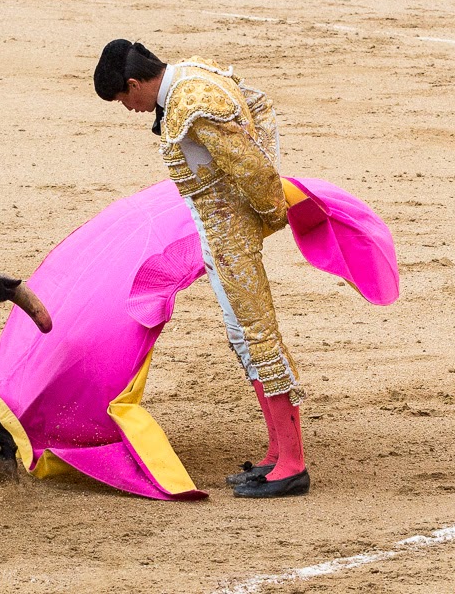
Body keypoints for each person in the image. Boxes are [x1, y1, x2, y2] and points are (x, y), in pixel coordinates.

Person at [94, 39, 309, 497]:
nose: (130, 109)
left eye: (124, 100)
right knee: (243, 336)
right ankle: (276, 452)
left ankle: (292, 462)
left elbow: (250, 166)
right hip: (221, 228)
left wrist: (266, 215)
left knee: (258, 335)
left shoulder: (192, 101)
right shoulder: (194, 73)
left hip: (229, 232)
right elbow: (259, 105)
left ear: (135, 84)